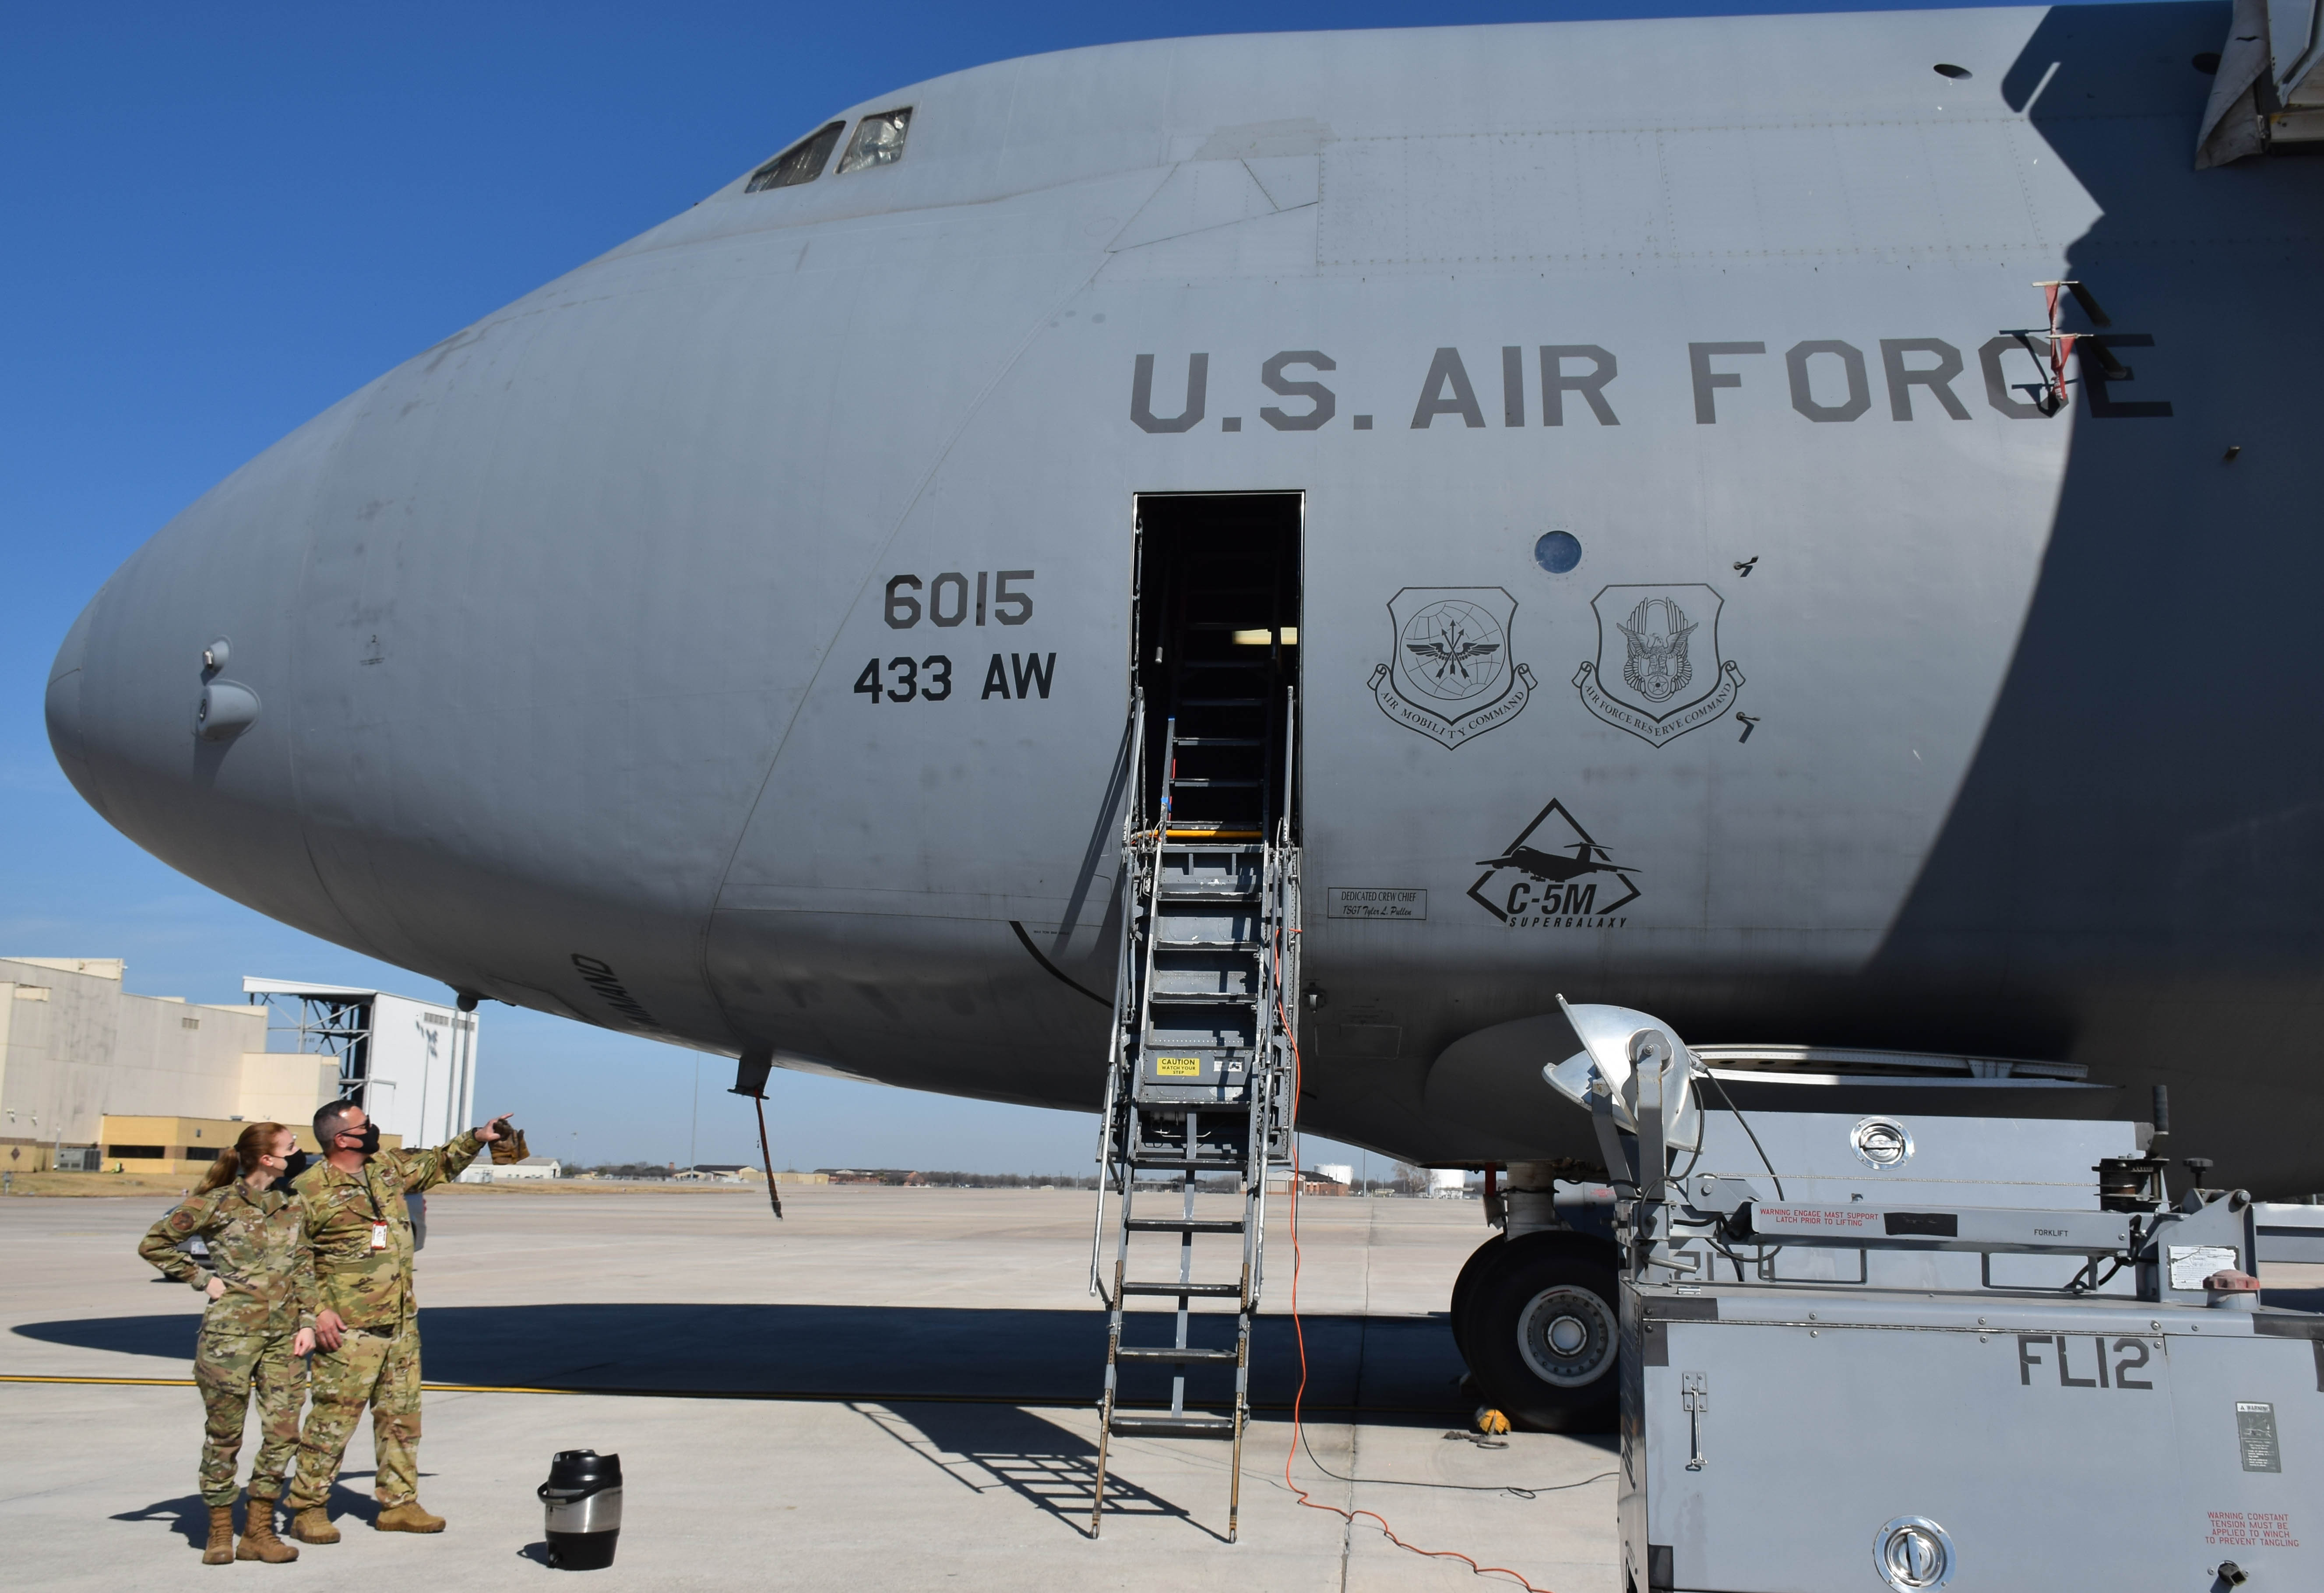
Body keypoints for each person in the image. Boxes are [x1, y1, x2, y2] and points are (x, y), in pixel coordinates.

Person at [282, 1098, 509, 1541]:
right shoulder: (307, 1189)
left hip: (401, 1323)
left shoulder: (384, 1168)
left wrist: (477, 1140)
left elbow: (437, 1163)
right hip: (347, 1329)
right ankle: (308, 1507)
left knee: (402, 1418)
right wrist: (315, 1312)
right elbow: (291, 1259)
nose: (372, 1129)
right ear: (341, 1138)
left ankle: (399, 1503)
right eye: (363, 1125)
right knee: (333, 1421)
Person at [137, 1121, 316, 1565]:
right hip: (229, 1340)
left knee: (284, 1434)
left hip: (283, 1339)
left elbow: (305, 1265)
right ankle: (220, 1529)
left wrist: (308, 1321)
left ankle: (258, 1530)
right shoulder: (217, 1203)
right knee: (224, 1436)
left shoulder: (293, 1203)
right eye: (290, 1147)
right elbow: (155, 1243)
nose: (298, 1151)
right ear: (268, 1158)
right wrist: (202, 1278)